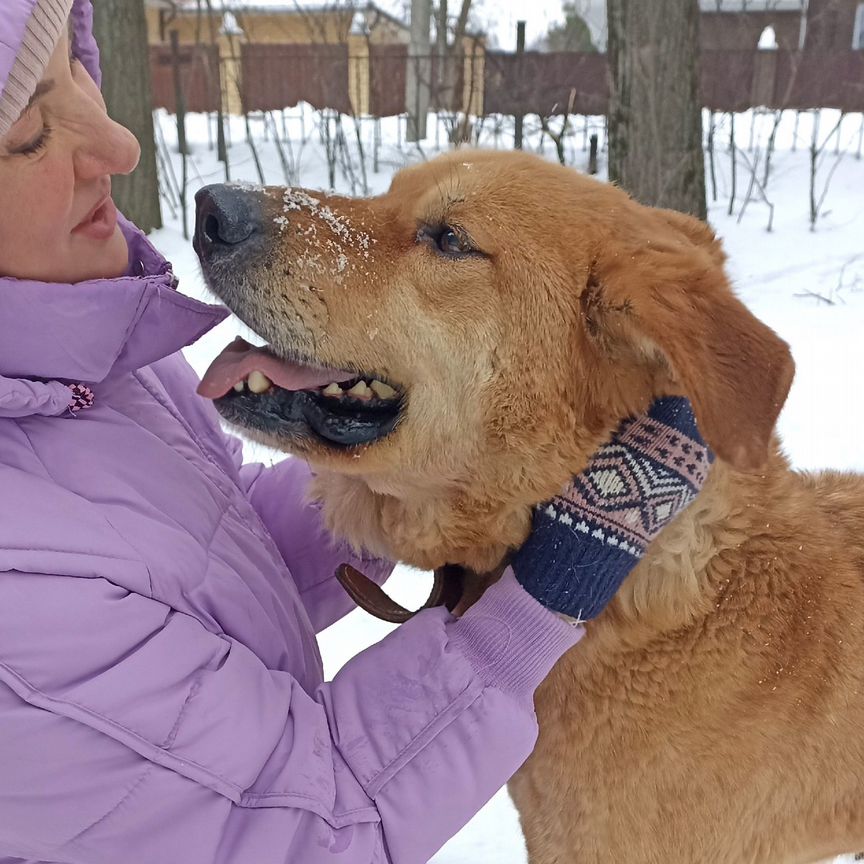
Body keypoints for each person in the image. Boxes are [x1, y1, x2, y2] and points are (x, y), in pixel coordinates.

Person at [0, 2, 712, 862]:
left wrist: (431, 487)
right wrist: (539, 597)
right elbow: (312, 823)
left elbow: (211, 547)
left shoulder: (66, 355)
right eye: (31, 130)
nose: (120, 144)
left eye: (77, 70)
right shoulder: (18, 603)